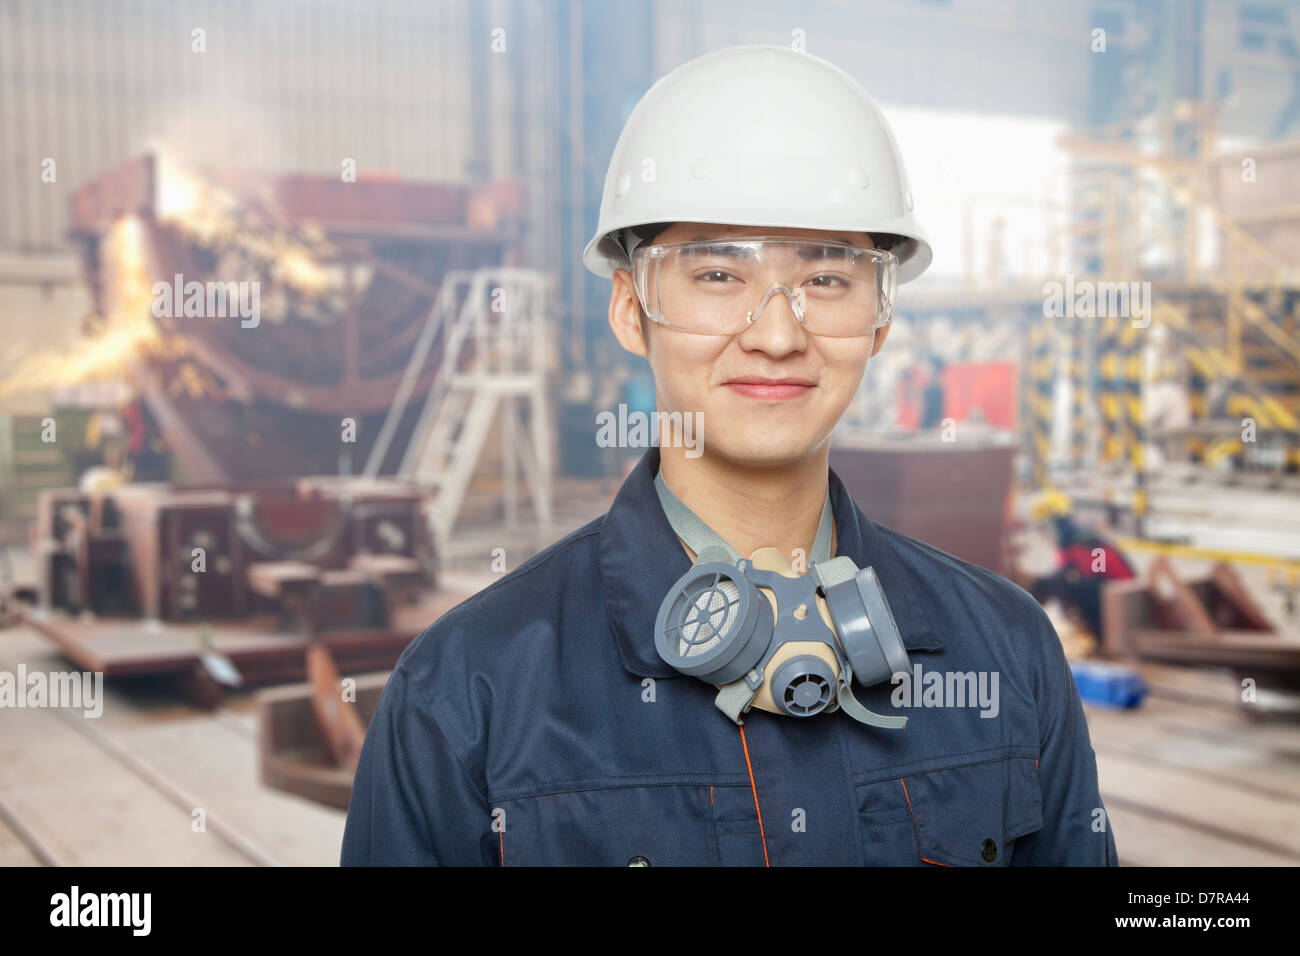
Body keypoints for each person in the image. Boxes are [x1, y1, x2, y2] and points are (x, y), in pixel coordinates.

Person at [341, 44, 1117, 866]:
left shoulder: (1004, 650)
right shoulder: (472, 688)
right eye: (717, 274)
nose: (777, 335)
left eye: (827, 280)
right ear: (631, 311)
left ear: (882, 319)